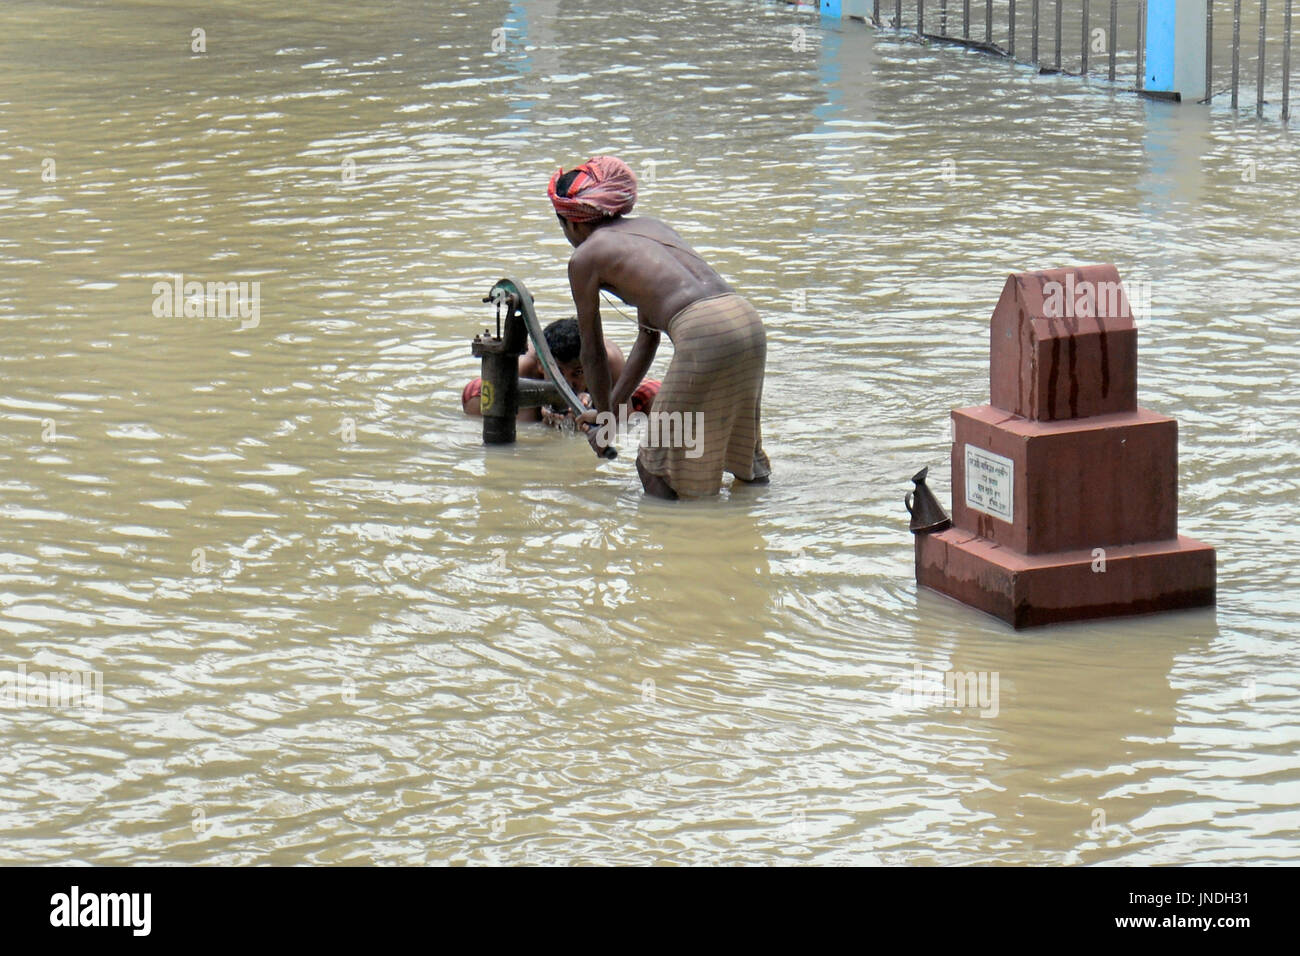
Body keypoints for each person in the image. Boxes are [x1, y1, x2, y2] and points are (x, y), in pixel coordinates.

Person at [548, 155, 771, 499]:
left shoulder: (585, 258)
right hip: (746, 321)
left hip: (704, 332)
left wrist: (605, 422)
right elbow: (647, 338)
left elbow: (591, 351)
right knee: (741, 452)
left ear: (573, 223)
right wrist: (611, 414)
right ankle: (753, 523)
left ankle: (676, 542)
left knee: (655, 467)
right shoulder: (652, 227)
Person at [462, 317, 659, 426]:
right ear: (541, 366)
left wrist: (596, 413)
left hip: (605, 393)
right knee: (475, 396)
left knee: (657, 395)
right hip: (532, 394)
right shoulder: (526, 367)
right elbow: (524, 430)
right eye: (559, 373)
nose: (568, 383)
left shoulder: (608, 361)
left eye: (578, 373)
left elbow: (626, 420)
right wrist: (544, 419)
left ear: (591, 367)